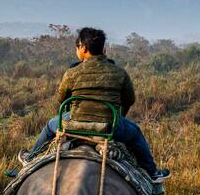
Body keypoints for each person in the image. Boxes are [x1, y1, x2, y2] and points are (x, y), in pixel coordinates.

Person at [20, 27, 168, 180]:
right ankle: (152, 173)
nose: (77, 50)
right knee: (135, 132)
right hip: (109, 127)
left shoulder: (72, 72)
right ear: (103, 49)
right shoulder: (119, 72)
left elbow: (61, 99)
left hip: (75, 125)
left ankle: (30, 159)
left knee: (49, 125)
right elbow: (129, 100)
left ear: (83, 47)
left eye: (77, 47)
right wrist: (118, 117)